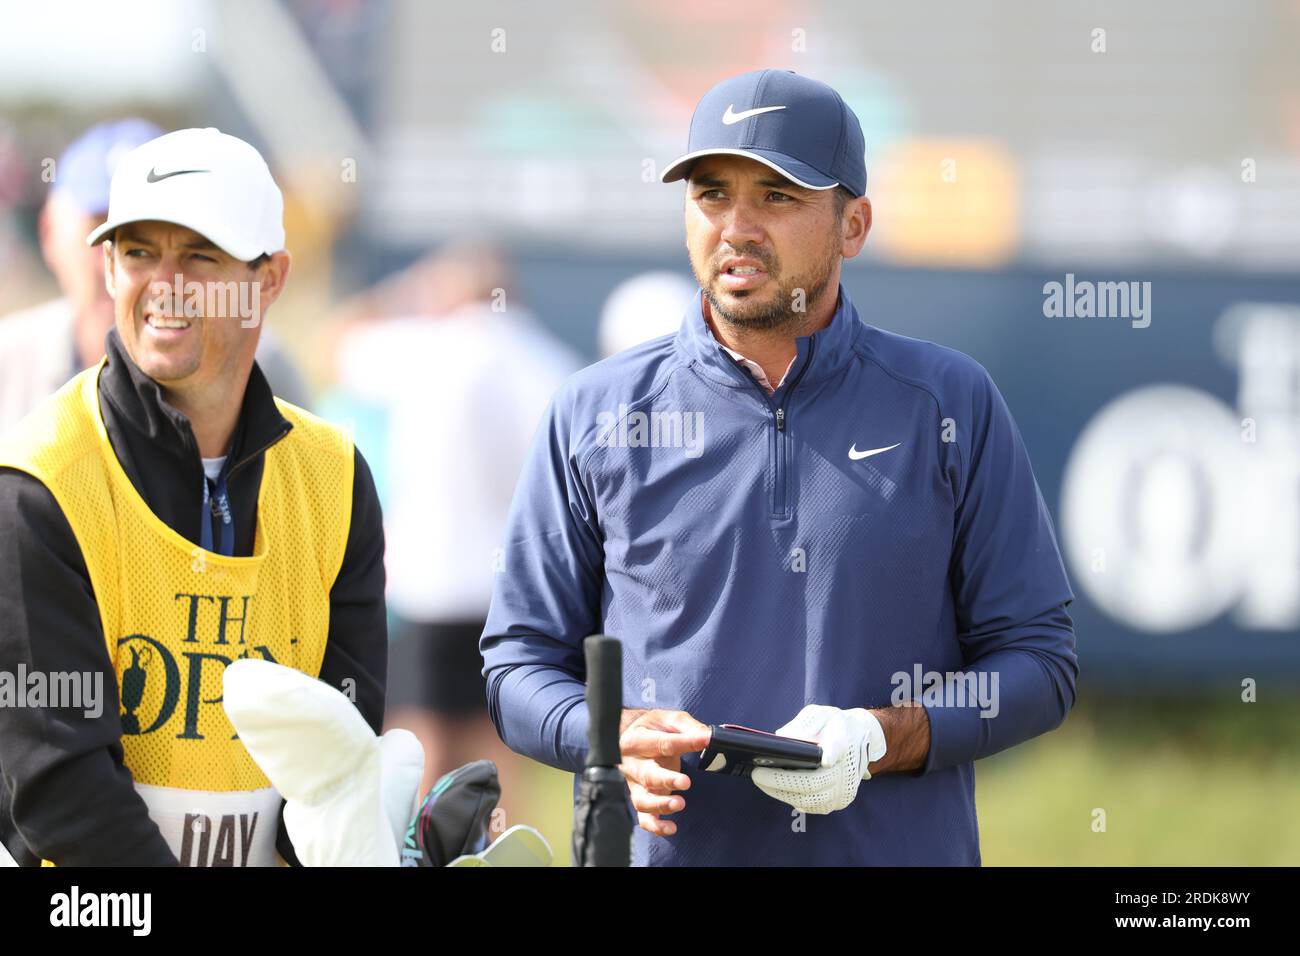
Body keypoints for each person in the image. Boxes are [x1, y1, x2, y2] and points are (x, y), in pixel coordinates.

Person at [480, 69, 1078, 866]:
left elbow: (1038, 660)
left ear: (854, 224)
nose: (736, 226)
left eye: (778, 197)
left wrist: (881, 737)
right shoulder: (593, 413)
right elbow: (519, 661)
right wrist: (611, 737)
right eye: (712, 193)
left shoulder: (948, 402)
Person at [0, 127, 387, 866]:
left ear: (269, 280)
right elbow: (59, 788)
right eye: (138, 252)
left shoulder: (334, 479)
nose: (163, 283)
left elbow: (337, 758)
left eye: (200, 255)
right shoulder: (38, 484)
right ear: (108, 269)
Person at [329, 240, 581, 812]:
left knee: (422, 745)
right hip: (508, 587)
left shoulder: (425, 346)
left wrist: (410, 292)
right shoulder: (545, 359)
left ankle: (414, 852)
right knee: (498, 749)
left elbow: (336, 339)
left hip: (430, 582)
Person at [0, 119, 310, 435]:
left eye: (195, 251)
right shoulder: (7, 361)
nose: (163, 281)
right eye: (135, 249)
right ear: (49, 234)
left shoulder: (263, 365)